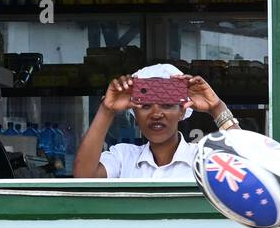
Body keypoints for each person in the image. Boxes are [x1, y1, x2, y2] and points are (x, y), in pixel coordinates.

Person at [73, 63, 240, 179]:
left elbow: (248, 167)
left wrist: (217, 107)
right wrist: (107, 110)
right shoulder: (123, 157)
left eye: (167, 105)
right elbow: (83, 176)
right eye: (145, 106)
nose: (156, 114)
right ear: (134, 115)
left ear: (182, 111)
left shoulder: (203, 159)